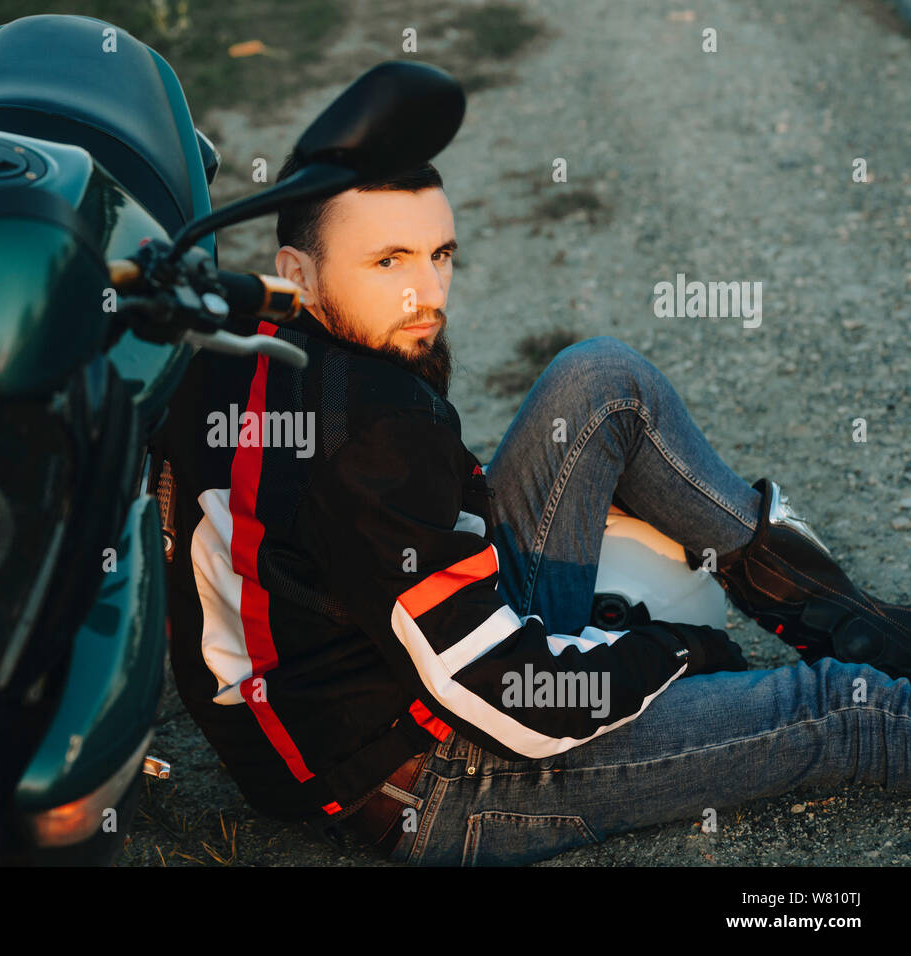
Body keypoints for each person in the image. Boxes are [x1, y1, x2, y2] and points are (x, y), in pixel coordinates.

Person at [153, 153, 911, 866]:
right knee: (851, 709)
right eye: (389, 262)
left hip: (396, 674)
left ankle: (846, 619)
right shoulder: (372, 432)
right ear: (299, 274)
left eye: (439, 254)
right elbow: (520, 705)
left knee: (603, 382)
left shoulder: (230, 336)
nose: (430, 294)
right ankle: (871, 675)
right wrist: (672, 650)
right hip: (431, 775)